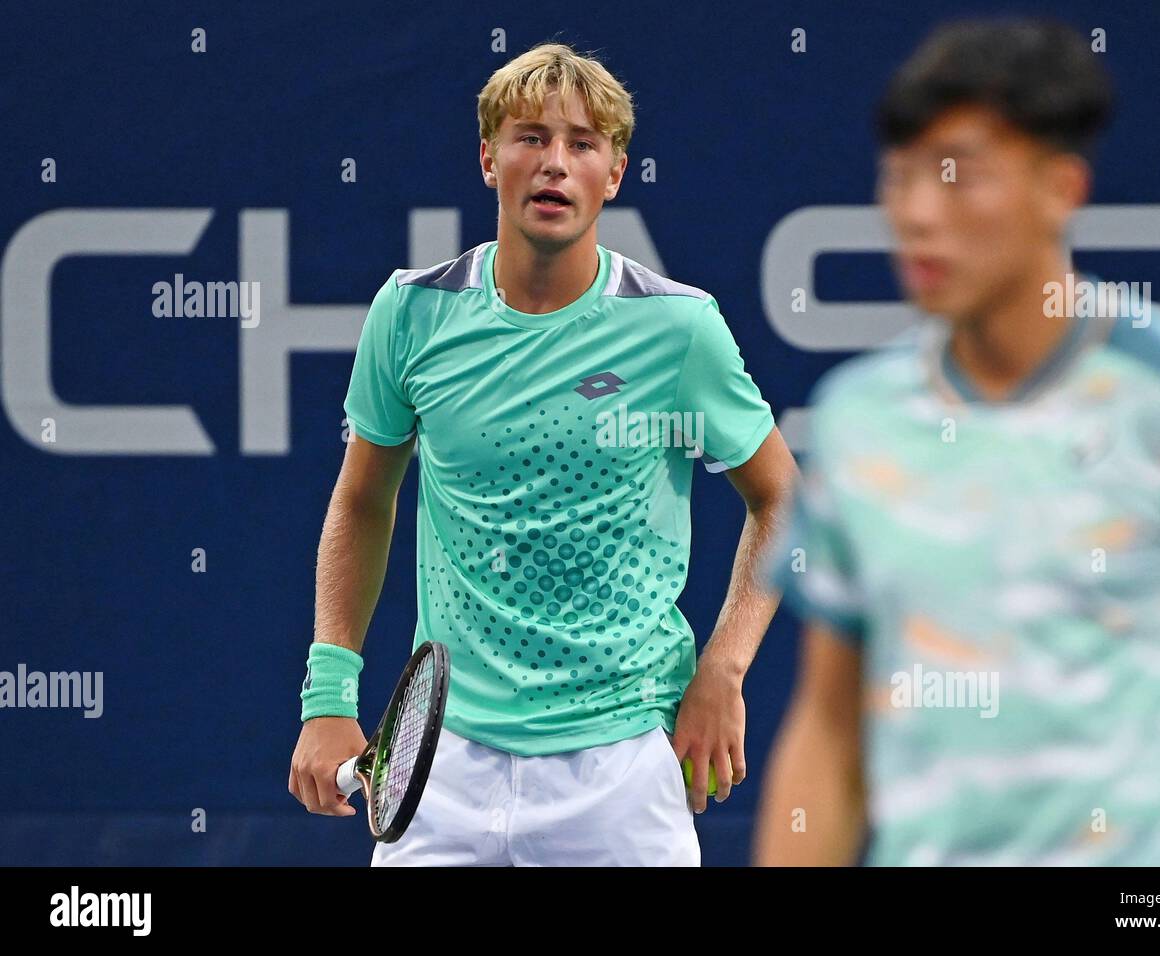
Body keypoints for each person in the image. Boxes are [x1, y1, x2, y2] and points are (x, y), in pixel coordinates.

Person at [756, 19, 1160, 865]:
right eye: (898, 178)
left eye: (958, 177)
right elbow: (828, 729)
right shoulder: (857, 417)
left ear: (1061, 188)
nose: (916, 213)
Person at [289, 42, 796, 866]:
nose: (554, 163)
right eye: (530, 137)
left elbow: (784, 502)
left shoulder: (679, 328)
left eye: (582, 144)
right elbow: (362, 501)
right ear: (489, 160)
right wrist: (327, 695)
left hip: (622, 768)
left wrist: (725, 669)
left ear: (616, 173)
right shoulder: (411, 314)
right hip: (440, 764)